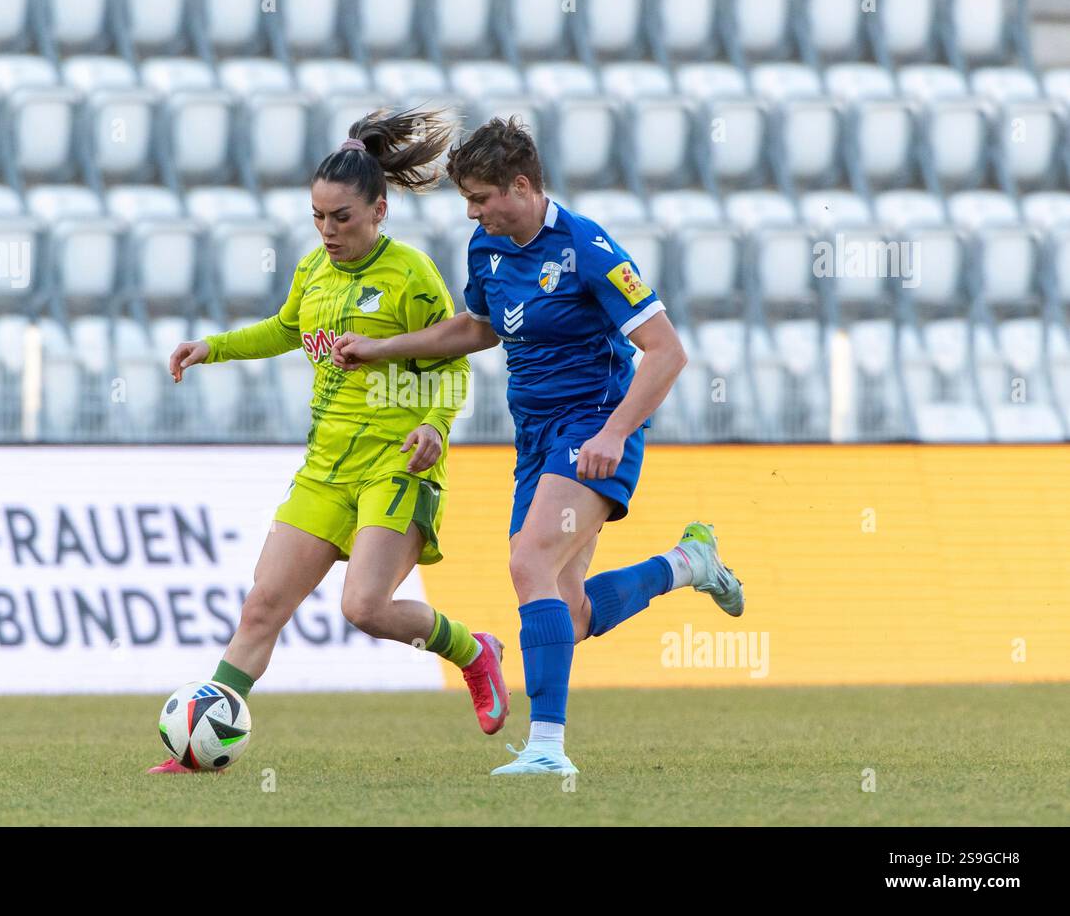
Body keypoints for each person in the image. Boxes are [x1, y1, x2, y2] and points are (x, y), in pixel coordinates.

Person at [332, 116, 744, 776]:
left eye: (480, 198)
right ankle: (688, 564)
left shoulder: (588, 247)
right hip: (535, 438)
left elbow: (667, 352)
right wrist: (382, 348)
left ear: (520, 187)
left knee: (529, 565)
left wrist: (613, 433)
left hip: (592, 428)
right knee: (569, 612)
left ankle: (547, 750)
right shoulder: (485, 249)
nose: (471, 212)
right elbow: (477, 329)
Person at [149, 108, 509, 772]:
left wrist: (433, 425)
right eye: (318, 217)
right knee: (262, 607)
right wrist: (214, 347)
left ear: (379, 212)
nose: (327, 230)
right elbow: (287, 328)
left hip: (396, 465)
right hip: (326, 467)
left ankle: (472, 651)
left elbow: (455, 365)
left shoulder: (410, 275)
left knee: (365, 608)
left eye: (341, 217)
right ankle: (200, 750)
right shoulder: (314, 271)